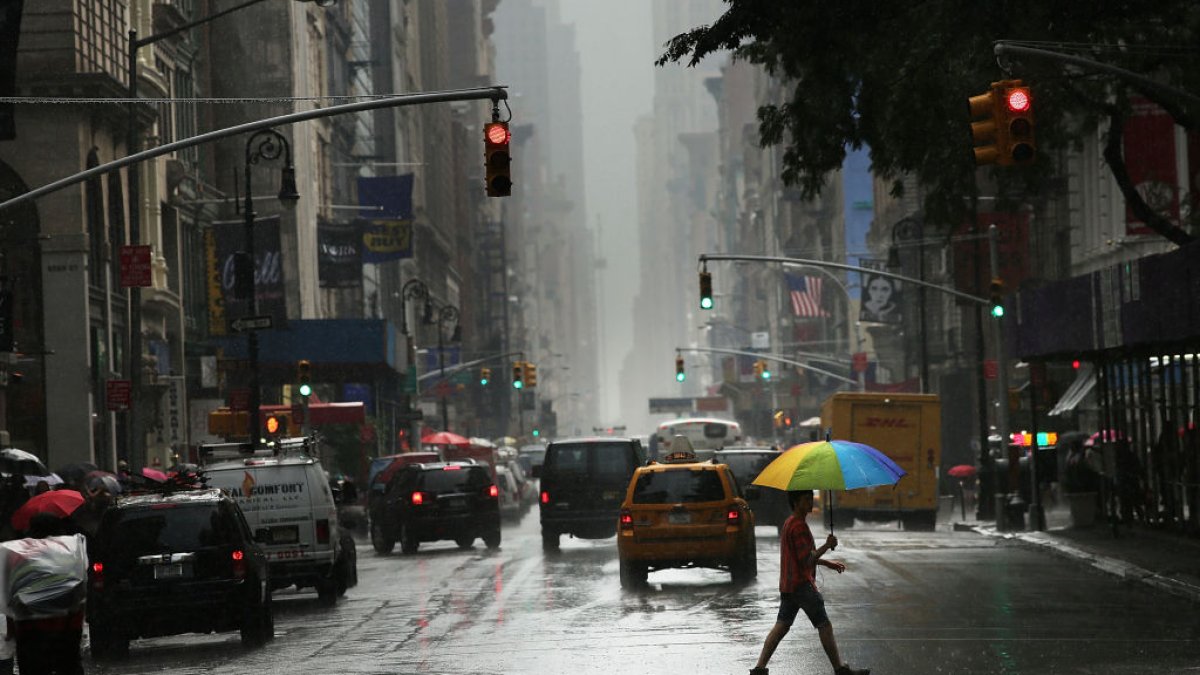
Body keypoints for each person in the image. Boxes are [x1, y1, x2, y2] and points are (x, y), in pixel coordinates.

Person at [749, 490, 868, 675]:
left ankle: (759, 668)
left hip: (789, 585)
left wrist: (827, 562)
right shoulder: (798, 527)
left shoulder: (790, 523)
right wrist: (827, 546)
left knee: (782, 625)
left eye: (811, 498)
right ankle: (839, 669)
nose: (811, 501)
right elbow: (807, 559)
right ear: (796, 502)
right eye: (806, 499)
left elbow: (802, 557)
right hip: (801, 586)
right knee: (824, 624)